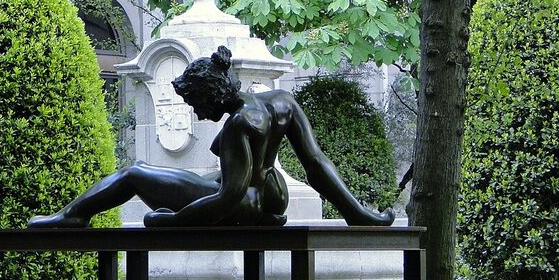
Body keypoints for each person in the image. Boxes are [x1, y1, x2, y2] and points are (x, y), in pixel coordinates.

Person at [28, 46, 395, 228]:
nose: (197, 113)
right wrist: (357, 213)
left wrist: (174, 221)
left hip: (243, 203)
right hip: (273, 197)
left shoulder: (238, 125)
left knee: (134, 172)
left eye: (195, 104)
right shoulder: (281, 101)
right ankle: (74, 214)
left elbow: (226, 198)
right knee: (204, 177)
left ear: (210, 94)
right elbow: (316, 163)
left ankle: (73, 216)